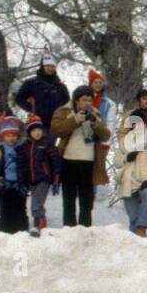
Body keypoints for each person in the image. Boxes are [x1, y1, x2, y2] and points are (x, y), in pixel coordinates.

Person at [50, 85, 111, 227]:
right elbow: (56, 130)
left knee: (87, 201)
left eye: (90, 100)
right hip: (68, 160)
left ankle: (85, 230)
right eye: (84, 100)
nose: (87, 103)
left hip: (89, 162)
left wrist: (96, 124)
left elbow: (106, 136)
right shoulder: (63, 111)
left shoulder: (95, 113)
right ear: (76, 101)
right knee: (69, 199)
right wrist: (75, 120)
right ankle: (69, 229)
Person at [114, 106, 147, 237]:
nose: (137, 125)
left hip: (145, 180)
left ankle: (142, 227)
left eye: (140, 122)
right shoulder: (125, 141)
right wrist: (127, 157)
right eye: (134, 122)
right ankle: (135, 246)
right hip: (127, 182)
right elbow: (117, 161)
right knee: (133, 219)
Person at [0, 116, 29, 233]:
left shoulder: (21, 149)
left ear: (18, 136)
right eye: (8, 135)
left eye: (14, 135)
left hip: (19, 184)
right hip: (4, 184)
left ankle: (22, 232)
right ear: (3, 136)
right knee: (5, 209)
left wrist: (25, 183)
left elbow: (26, 167)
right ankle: (6, 232)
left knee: (20, 208)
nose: (11, 138)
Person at [13, 49, 69, 138]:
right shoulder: (31, 83)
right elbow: (18, 98)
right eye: (48, 66)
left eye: (52, 66)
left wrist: (61, 116)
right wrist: (31, 108)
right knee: (37, 148)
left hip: (54, 124)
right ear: (42, 66)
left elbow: (67, 105)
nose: (50, 68)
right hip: (37, 124)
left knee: (50, 149)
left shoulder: (60, 86)